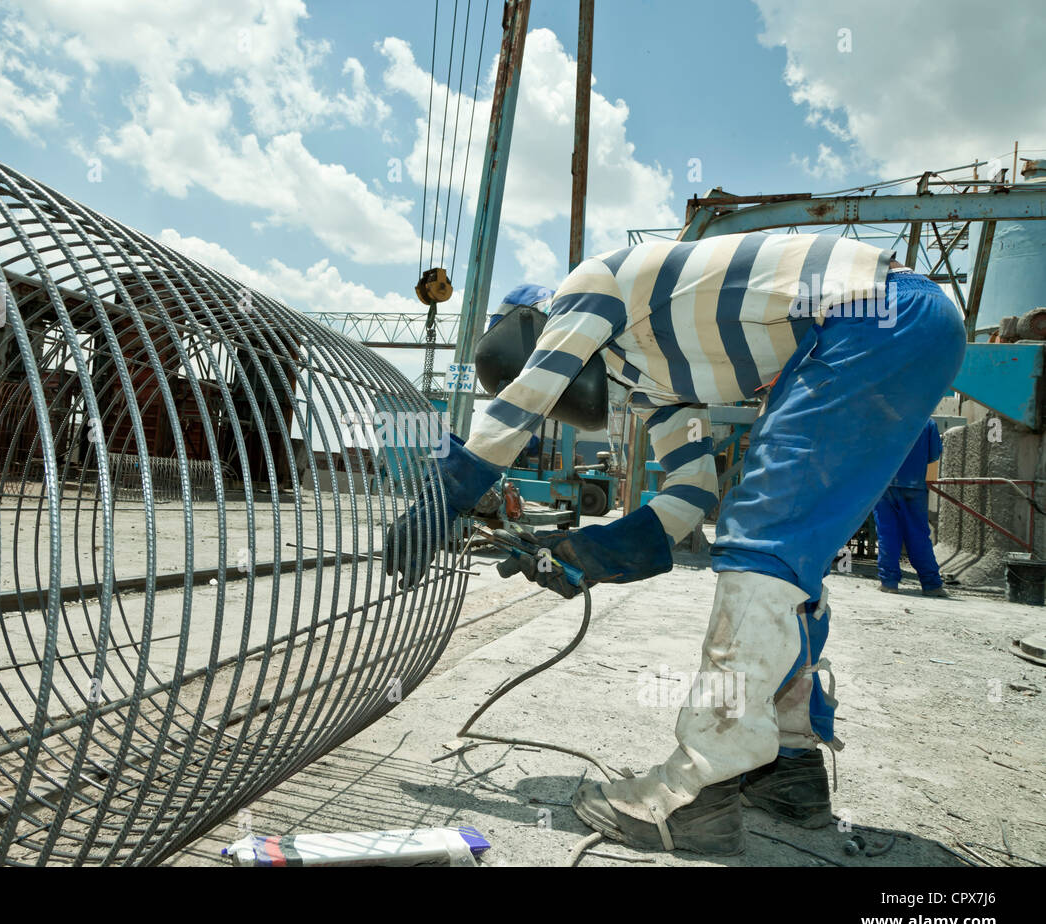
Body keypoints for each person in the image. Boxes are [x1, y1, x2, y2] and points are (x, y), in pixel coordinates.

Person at [383, 234, 966, 855]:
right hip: (894, 328)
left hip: (872, 317)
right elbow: (692, 492)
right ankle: (787, 771)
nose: (559, 402)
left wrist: (441, 499)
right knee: (787, 555)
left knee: (764, 537)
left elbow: (523, 400)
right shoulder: (659, 383)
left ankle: (698, 789)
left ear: (530, 330)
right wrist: (592, 553)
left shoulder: (590, 286)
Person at [874, 417, 947, 596]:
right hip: (915, 487)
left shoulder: (883, 419)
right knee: (919, 535)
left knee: (887, 533)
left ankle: (889, 582)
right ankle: (932, 585)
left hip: (885, 485)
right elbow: (934, 455)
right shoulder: (928, 422)